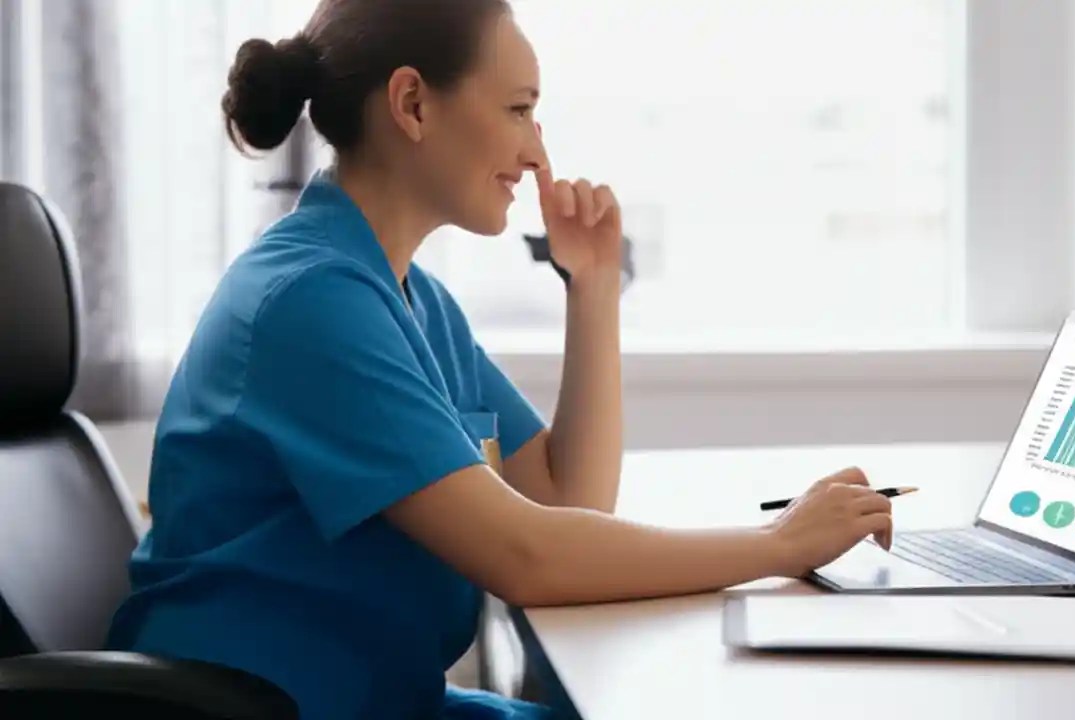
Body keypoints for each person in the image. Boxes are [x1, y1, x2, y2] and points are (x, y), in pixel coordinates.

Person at [105, 1, 895, 718]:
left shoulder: (405, 296)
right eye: (519, 110)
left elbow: (565, 502)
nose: (537, 153)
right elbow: (530, 557)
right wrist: (778, 546)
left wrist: (592, 291)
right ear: (413, 104)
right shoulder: (312, 303)